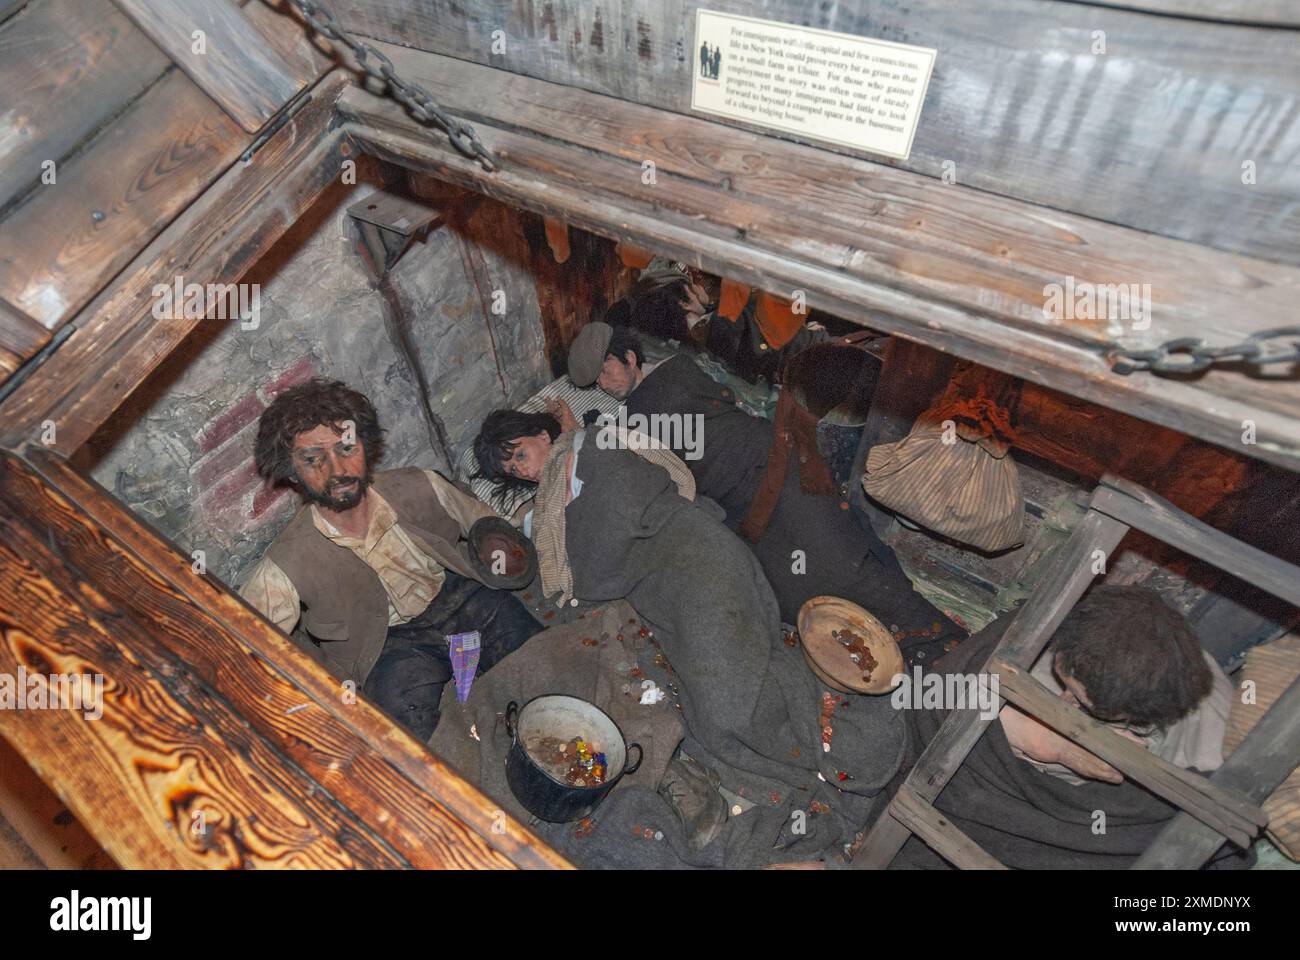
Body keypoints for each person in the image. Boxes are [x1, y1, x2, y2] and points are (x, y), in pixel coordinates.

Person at [473, 408, 908, 864]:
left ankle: (843, 745)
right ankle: (810, 744)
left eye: (520, 453)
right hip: (657, 594)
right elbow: (550, 579)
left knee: (729, 704)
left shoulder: (594, 444)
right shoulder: (542, 519)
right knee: (708, 707)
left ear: (543, 433)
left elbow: (663, 485)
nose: (522, 468)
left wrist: (582, 456)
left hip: (692, 552)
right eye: (512, 469)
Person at [564, 321, 967, 664]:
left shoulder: (665, 383)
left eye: (607, 369)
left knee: (844, 563)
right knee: (796, 594)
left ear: (630, 357)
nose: (606, 383)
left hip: (771, 470)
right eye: (598, 381)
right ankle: (906, 661)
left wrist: (587, 434)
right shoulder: (662, 388)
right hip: (744, 505)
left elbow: (670, 429)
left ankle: (951, 650)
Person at [238, 378, 541, 740]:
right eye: (313, 459)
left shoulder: (417, 485)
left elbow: (482, 523)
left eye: (347, 447)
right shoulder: (290, 560)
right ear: (291, 472)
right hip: (388, 644)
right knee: (413, 743)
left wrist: (500, 551)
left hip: (460, 597)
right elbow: (241, 642)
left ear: (365, 444)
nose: (337, 470)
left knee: (541, 662)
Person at [881, 584, 1238, 869]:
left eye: (1080, 702)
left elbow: (1137, 835)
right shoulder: (1079, 624)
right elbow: (936, 694)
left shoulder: (1205, 749)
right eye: (1062, 681)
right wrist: (1026, 730)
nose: (1065, 700)